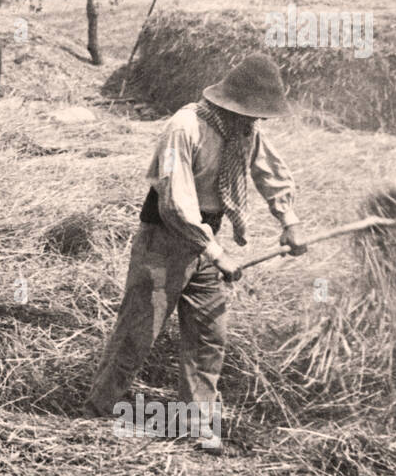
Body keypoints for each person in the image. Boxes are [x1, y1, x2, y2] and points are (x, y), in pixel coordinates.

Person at [86, 56, 308, 455]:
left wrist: (288, 219)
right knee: (139, 331)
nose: (258, 123)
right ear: (233, 103)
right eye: (255, 113)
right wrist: (214, 251)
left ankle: (196, 423)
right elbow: (175, 202)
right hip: (165, 241)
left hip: (208, 243)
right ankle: (99, 408)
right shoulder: (185, 127)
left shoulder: (244, 130)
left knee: (209, 336)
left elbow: (270, 171)